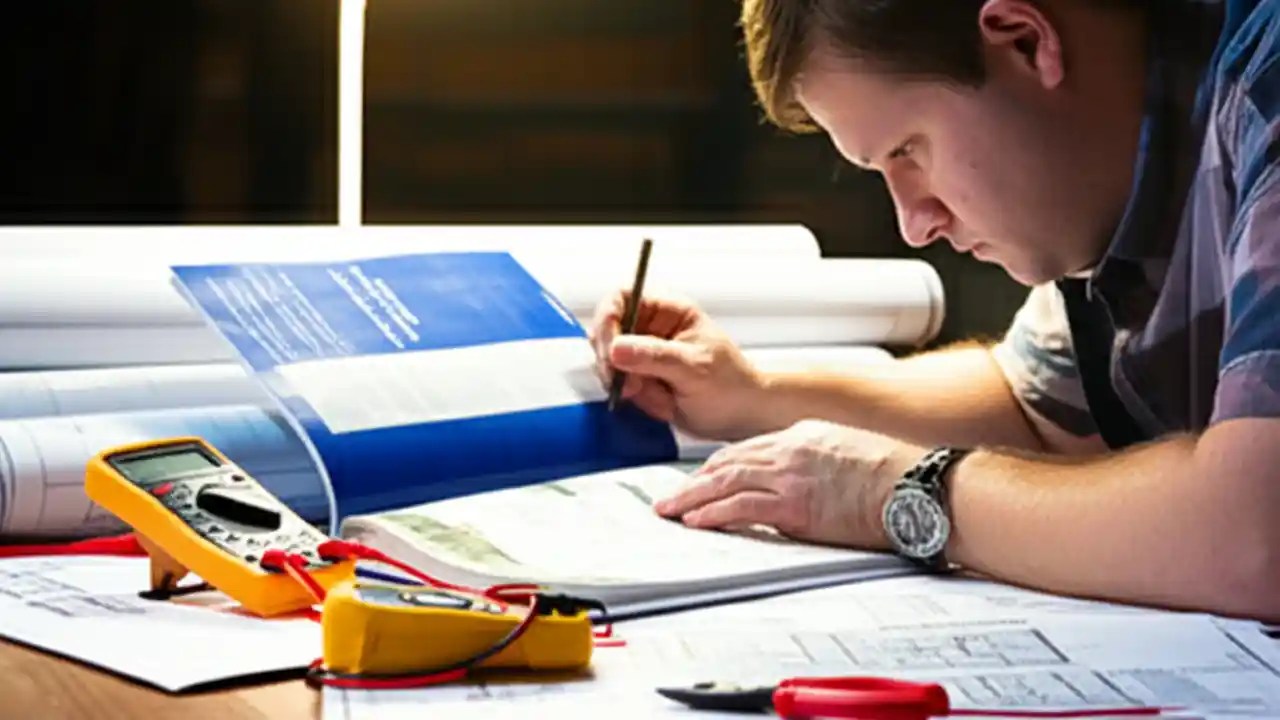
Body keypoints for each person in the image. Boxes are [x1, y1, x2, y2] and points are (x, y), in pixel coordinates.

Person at [589, 0, 1280, 622]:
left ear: (1024, 39)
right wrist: (752, 393)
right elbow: (1035, 407)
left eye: (909, 150)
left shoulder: (1267, 88)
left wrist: (899, 493)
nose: (915, 224)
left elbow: (1254, 534)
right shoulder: (1105, 185)